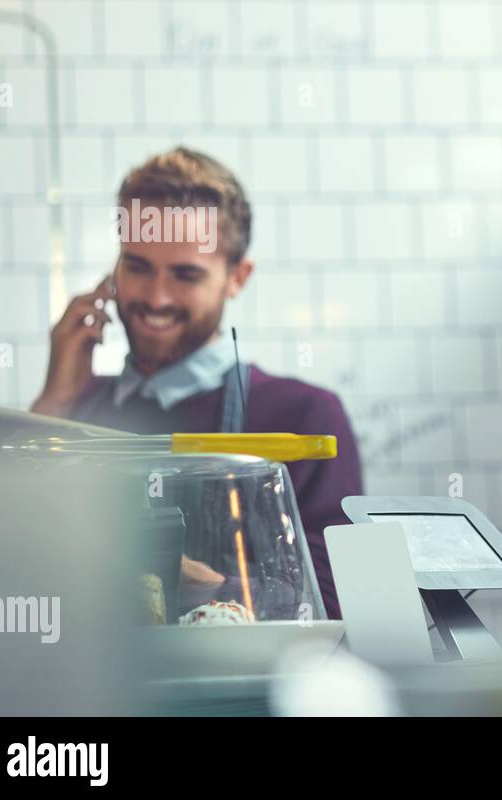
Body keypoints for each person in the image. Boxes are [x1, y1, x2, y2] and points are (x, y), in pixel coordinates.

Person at [31, 146, 362, 620]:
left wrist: (179, 576)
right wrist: (56, 399)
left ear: (237, 278)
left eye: (185, 275)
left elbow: (335, 601)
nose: (156, 298)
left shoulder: (303, 418)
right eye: (138, 267)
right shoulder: (71, 412)